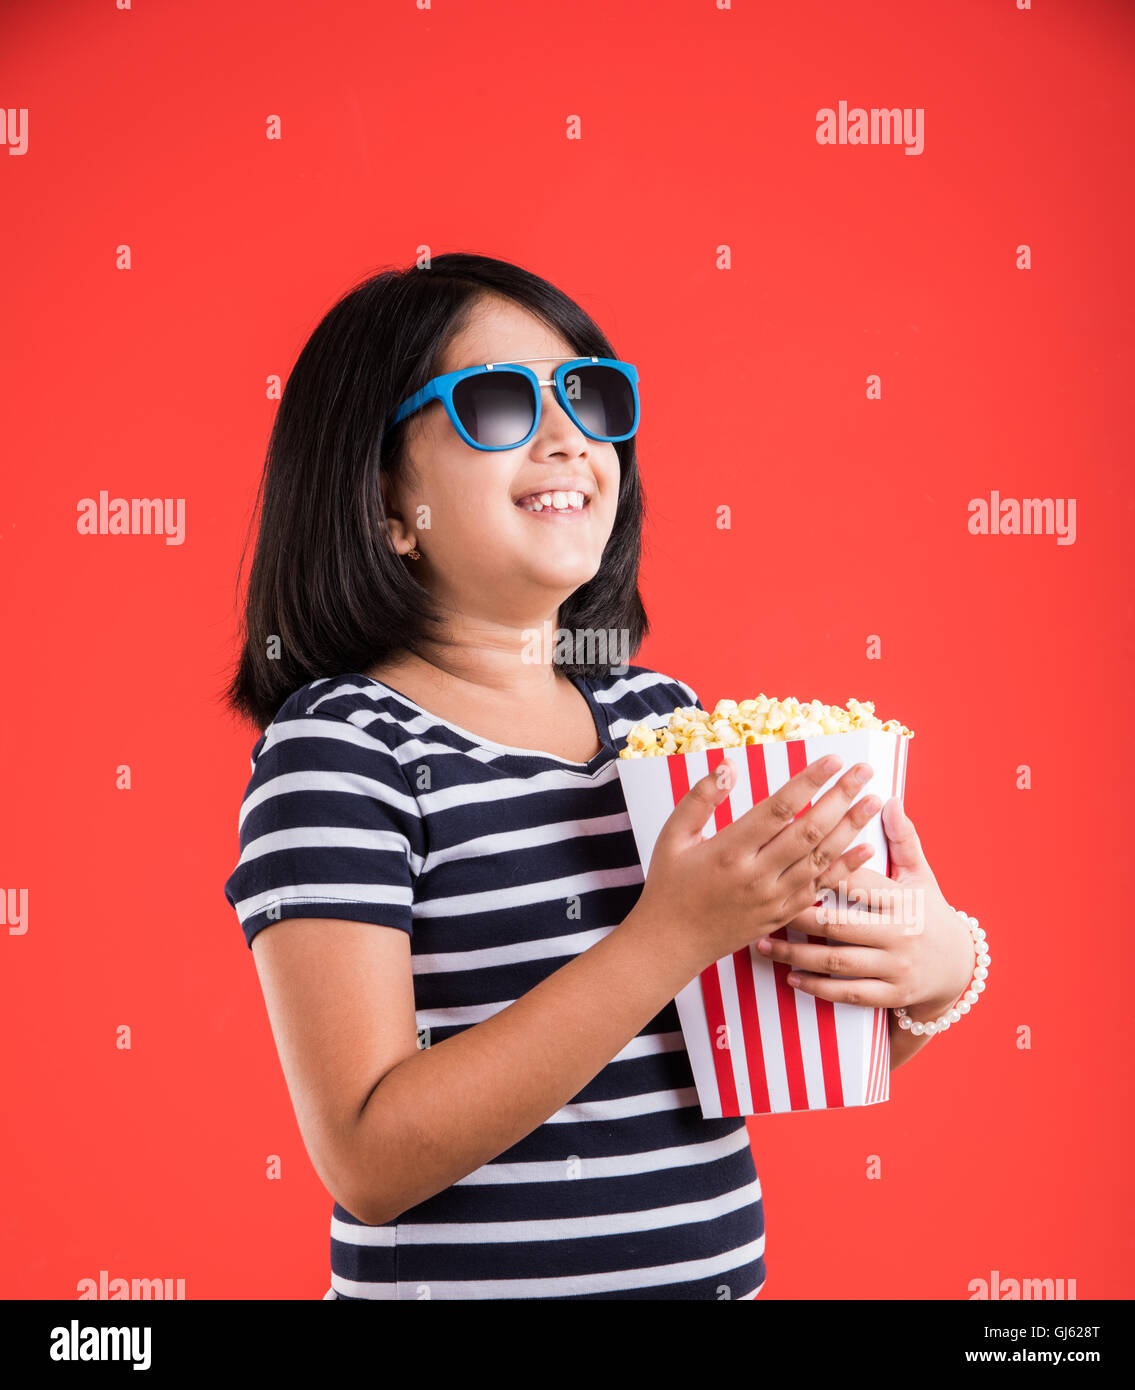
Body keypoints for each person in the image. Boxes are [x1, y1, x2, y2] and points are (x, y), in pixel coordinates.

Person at [221, 251, 977, 1300]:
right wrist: (667, 935)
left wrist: (933, 973)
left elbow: (746, 1062)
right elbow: (368, 1158)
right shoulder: (345, 751)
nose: (570, 434)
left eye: (587, 393)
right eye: (497, 400)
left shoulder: (658, 723)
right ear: (386, 501)